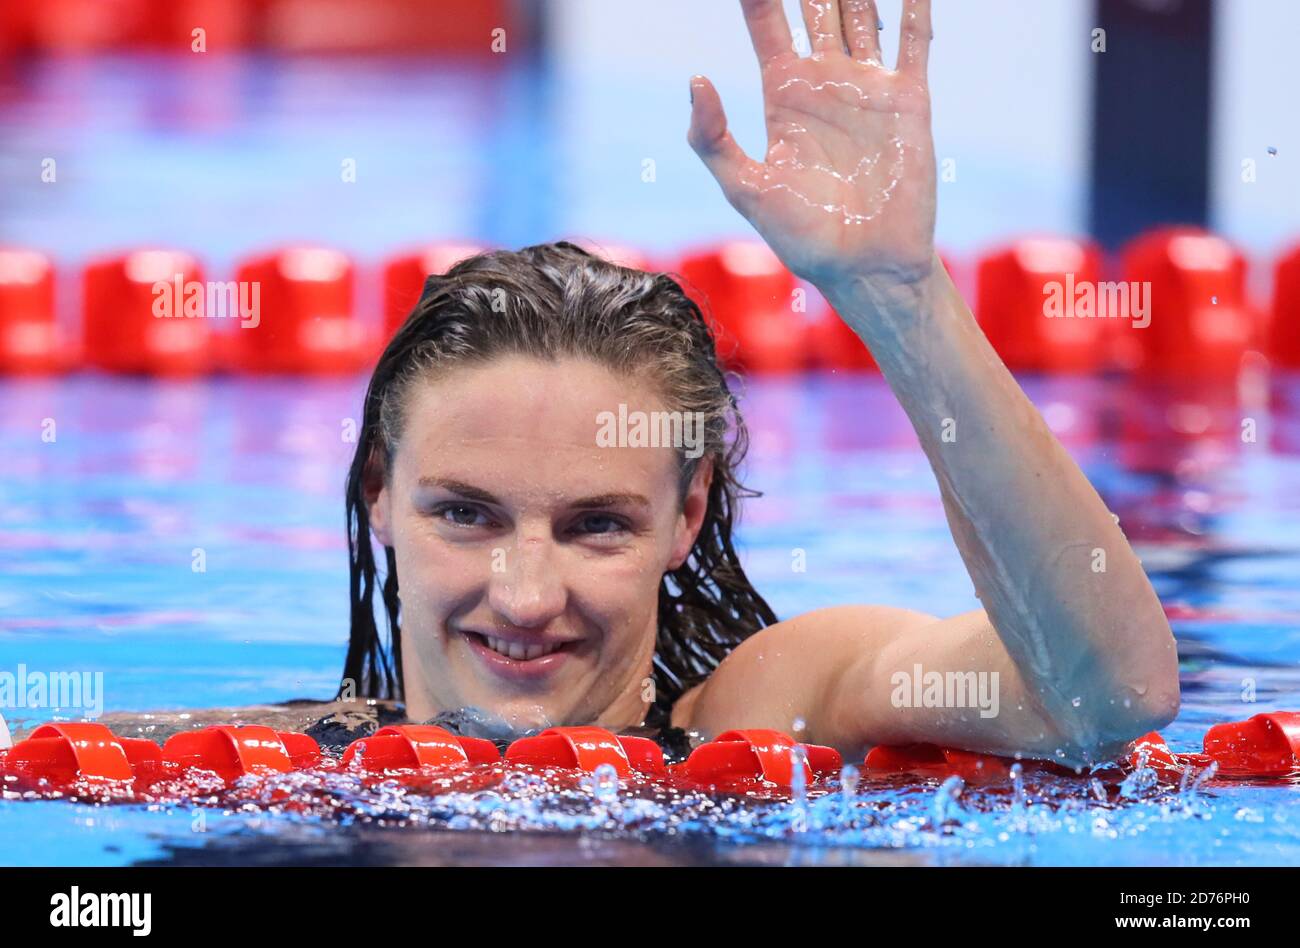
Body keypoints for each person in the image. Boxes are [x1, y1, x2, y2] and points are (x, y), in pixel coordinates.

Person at [340, 0, 1179, 766]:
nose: (526, 597)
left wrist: (900, 298)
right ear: (380, 490)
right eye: (463, 513)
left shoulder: (764, 717)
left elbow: (1104, 699)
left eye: (596, 525)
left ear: (687, 516)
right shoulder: (243, 764)